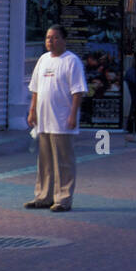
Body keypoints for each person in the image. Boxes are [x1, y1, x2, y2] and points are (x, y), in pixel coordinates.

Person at [25, 25, 87, 212]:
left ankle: (63, 199)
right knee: (44, 161)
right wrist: (32, 110)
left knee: (63, 160)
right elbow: (35, 88)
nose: (50, 41)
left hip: (62, 120)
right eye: (47, 38)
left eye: (54, 38)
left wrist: (73, 114)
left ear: (63, 40)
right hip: (44, 120)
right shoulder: (43, 60)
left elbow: (78, 91)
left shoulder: (71, 61)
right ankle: (43, 196)